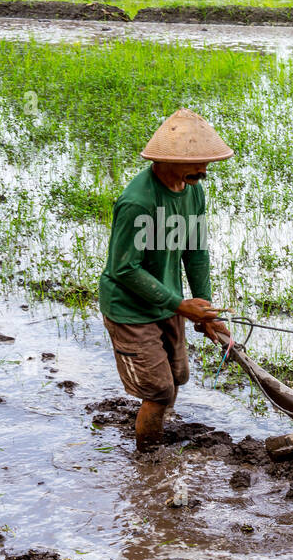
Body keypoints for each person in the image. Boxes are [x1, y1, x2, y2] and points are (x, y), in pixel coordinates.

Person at [99, 108, 233, 451]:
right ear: (165, 161)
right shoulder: (137, 202)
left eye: (207, 163)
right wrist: (179, 305)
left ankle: (156, 418)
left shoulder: (192, 191)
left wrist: (205, 308)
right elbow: (124, 270)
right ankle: (149, 461)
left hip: (166, 299)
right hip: (131, 307)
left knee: (177, 378)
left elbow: (196, 249)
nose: (203, 171)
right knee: (159, 390)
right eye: (196, 164)